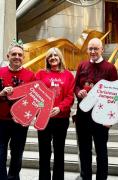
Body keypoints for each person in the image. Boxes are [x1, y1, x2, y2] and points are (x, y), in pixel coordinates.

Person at [74, 37, 118, 180]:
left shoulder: (110, 68)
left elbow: (115, 94)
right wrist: (78, 92)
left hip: (101, 115)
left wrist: (110, 118)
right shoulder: (82, 66)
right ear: (87, 50)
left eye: (96, 48)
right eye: (90, 48)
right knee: (84, 150)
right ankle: (85, 177)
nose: (93, 51)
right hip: (83, 115)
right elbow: (75, 86)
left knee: (101, 151)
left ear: (102, 50)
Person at [35, 47, 75, 180]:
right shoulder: (40, 74)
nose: (53, 58)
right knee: (44, 152)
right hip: (43, 118)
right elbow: (35, 94)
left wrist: (60, 108)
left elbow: (70, 96)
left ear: (60, 58)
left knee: (59, 152)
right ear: (47, 59)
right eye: (50, 56)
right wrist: (42, 108)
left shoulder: (68, 75)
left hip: (61, 119)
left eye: (55, 55)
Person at [0, 41, 35, 180]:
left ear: (23, 58)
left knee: (17, 154)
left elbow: (34, 100)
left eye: (20, 55)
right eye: (13, 54)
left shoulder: (30, 76)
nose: (17, 57)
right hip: (0, 121)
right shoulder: (0, 72)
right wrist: (1, 93)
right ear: (8, 56)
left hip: (20, 123)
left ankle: (13, 177)